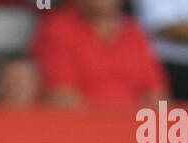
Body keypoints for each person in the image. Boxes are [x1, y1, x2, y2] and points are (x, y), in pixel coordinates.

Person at [32, 0, 168, 107]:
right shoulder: (57, 28)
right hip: (80, 131)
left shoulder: (135, 32)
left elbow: (156, 94)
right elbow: (61, 97)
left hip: (131, 130)